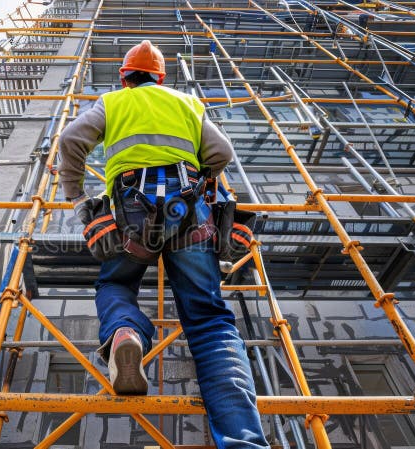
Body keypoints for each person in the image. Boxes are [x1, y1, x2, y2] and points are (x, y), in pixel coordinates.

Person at [58, 40, 269, 449]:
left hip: (129, 216)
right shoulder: (186, 104)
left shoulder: (114, 103)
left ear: (125, 77)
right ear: (160, 77)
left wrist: (80, 200)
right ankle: (243, 441)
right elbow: (221, 151)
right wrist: (202, 176)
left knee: (116, 285)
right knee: (209, 321)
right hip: (189, 215)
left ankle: (125, 333)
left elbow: (71, 140)